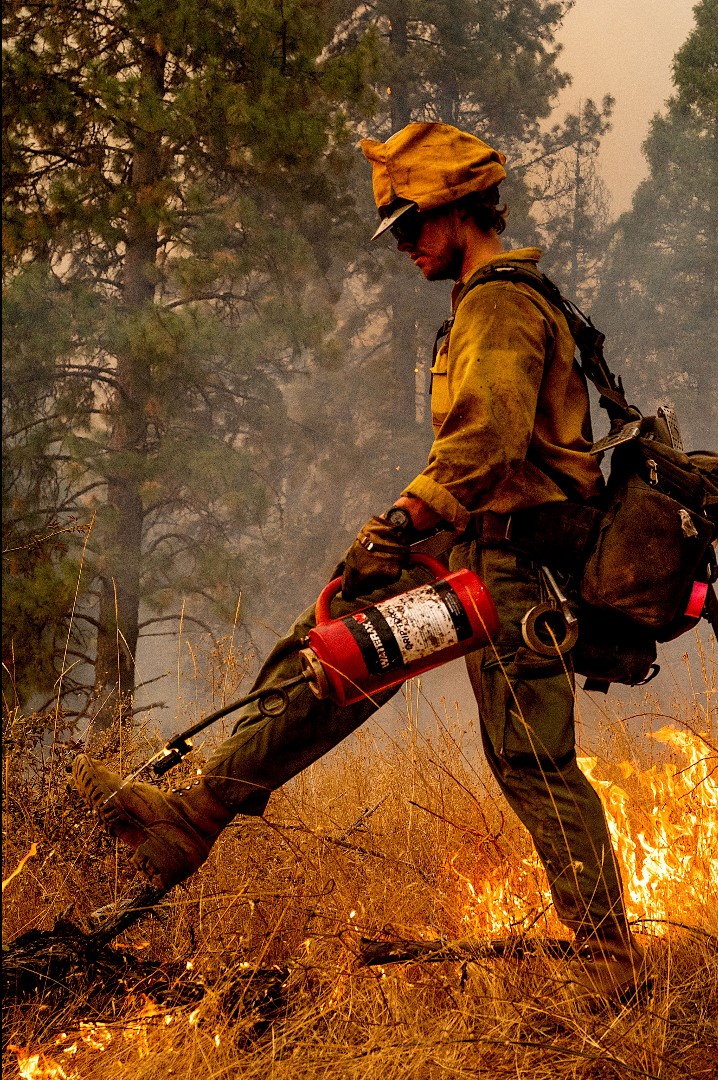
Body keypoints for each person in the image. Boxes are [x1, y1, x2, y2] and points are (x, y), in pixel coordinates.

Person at [72, 122, 639, 993]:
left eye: (413, 225)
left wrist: (403, 519)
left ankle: (609, 963)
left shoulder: (499, 302)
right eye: (398, 231)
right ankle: (195, 810)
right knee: (331, 654)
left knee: (531, 759)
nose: (405, 245)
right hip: (472, 560)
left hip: (515, 576)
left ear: (458, 209)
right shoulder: (489, 300)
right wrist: (408, 536)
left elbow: (485, 446)